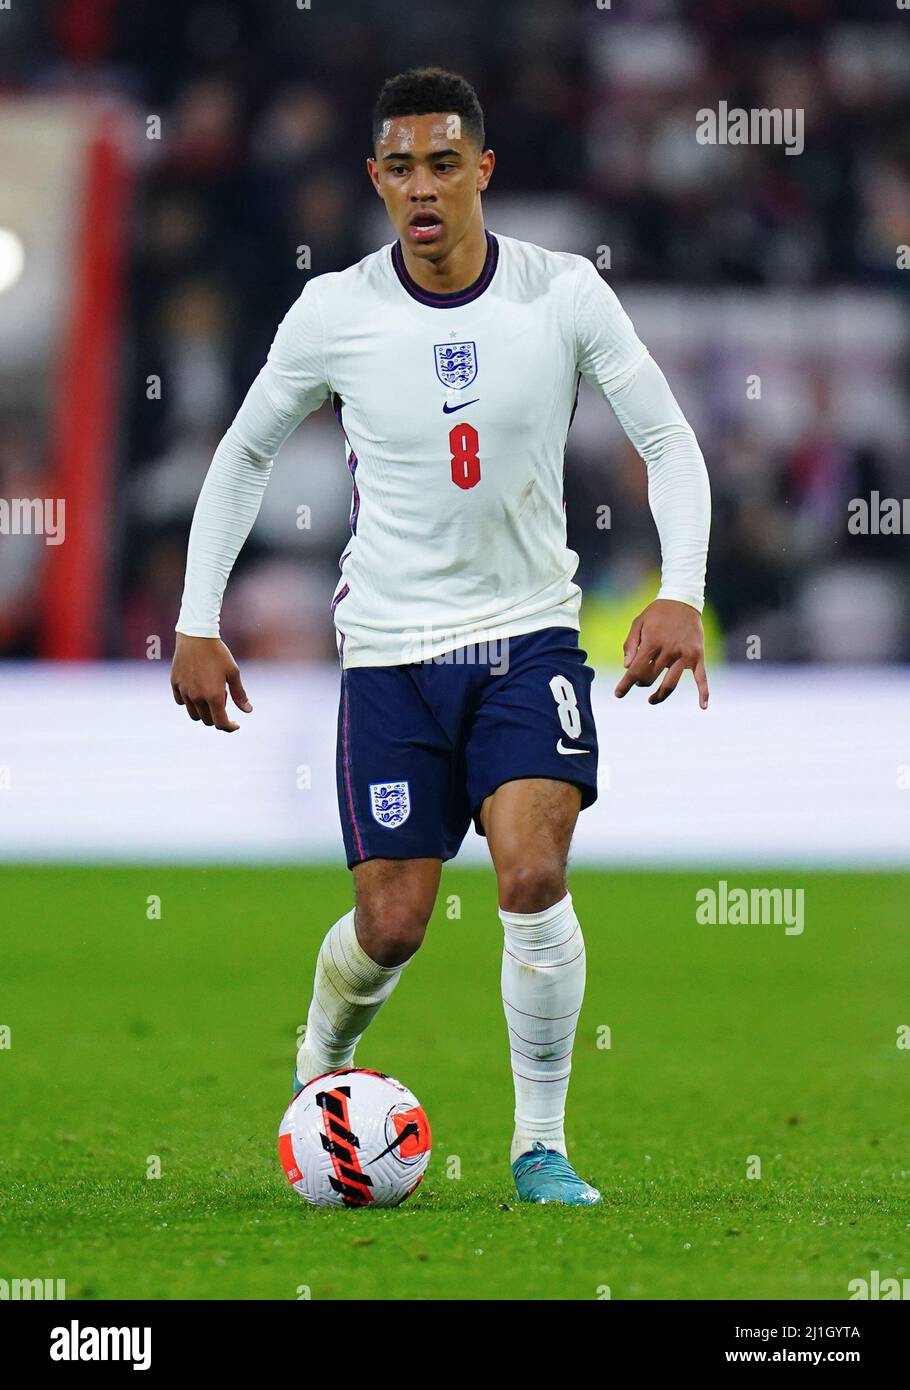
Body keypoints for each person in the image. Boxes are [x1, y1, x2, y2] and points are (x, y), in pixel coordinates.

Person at [171, 67, 711, 1206]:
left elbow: (667, 440)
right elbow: (243, 452)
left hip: (526, 640)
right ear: (376, 180)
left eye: (444, 164)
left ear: (483, 171)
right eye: (401, 169)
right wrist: (195, 619)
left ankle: (539, 1145)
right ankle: (323, 1061)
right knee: (394, 923)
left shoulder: (561, 294)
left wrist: (682, 588)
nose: (424, 189)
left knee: (531, 872)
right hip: (388, 656)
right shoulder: (335, 310)